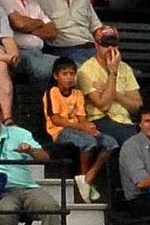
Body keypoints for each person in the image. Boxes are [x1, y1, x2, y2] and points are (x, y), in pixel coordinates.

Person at [42, 57, 115, 198]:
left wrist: (89, 126)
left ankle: (88, 177)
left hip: (78, 129)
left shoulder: (78, 94)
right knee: (88, 142)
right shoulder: (52, 92)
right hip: (60, 131)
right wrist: (82, 127)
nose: (69, 78)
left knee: (111, 143)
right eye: (65, 74)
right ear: (56, 76)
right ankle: (82, 175)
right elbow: (56, 119)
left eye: (72, 74)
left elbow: (82, 117)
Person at [76, 25, 143, 144]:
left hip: (125, 121)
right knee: (137, 142)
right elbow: (104, 105)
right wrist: (113, 72)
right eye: (105, 44)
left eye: (114, 43)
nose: (110, 48)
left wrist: (114, 94)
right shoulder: (86, 70)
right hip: (100, 120)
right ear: (96, 45)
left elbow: (137, 106)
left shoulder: (125, 68)